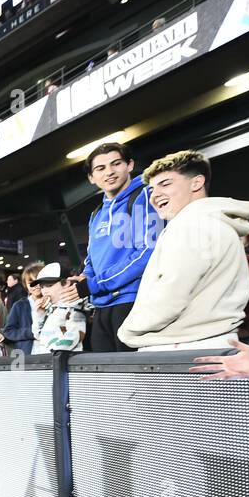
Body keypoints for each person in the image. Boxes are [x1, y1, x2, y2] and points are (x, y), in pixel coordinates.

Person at [117, 150, 249, 351]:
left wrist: (127, 331)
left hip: (182, 348)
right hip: (209, 342)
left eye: (165, 184)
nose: (155, 195)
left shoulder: (191, 224)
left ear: (196, 183)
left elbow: (171, 295)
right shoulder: (214, 223)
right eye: (152, 189)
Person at [77, 142, 160, 351]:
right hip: (102, 306)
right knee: (109, 379)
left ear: (130, 165)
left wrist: (96, 284)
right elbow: (90, 260)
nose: (109, 172)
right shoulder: (96, 213)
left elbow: (147, 253)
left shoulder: (145, 197)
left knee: (134, 378)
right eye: (100, 168)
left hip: (133, 302)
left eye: (116, 164)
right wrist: (83, 278)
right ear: (91, 178)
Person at [31, 264, 88, 352]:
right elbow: (38, 336)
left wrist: (52, 351)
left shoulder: (75, 307)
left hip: (63, 361)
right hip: (49, 361)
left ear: (66, 283)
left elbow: (75, 336)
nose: (45, 291)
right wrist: (39, 315)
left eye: (49, 285)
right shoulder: (51, 309)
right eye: (42, 287)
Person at [2, 262, 45, 356]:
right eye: (31, 283)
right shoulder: (20, 305)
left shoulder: (56, 302)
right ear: (25, 284)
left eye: (39, 281)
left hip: (53, 354)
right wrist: (31, 332)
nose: (36, 285)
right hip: (27, 356)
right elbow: (9, 332)